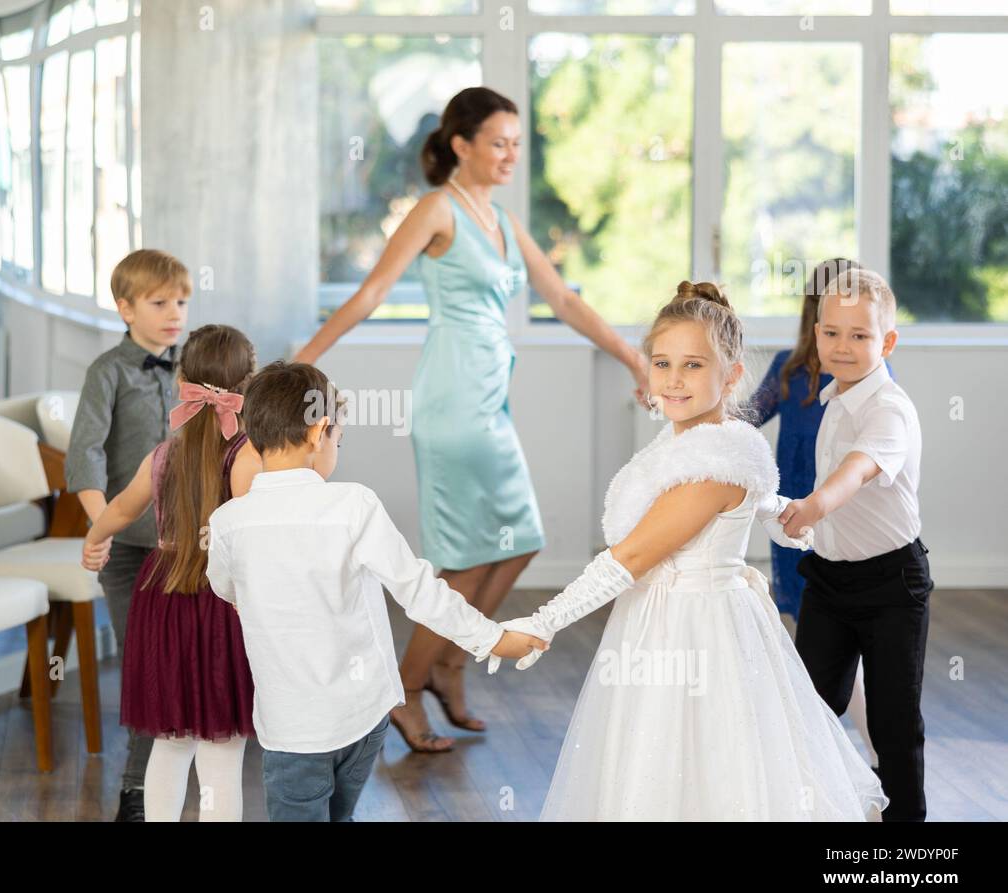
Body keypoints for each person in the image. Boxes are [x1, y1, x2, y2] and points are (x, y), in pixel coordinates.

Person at [295, 86, 648, 752]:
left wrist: (632, 355)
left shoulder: (503, 220)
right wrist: (298, 364)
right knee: (460, 564)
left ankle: (449, 663)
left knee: (518, 539)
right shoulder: (438, 209)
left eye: (518, 143)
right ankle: (405, 689)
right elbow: (371, 292)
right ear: (461, 144)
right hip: (452, 399)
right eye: (498, 142)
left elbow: (564, 300)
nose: (511, 153)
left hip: (491, 398)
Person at [499, 281, 887, 821]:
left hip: (693, 626)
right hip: (662, 619)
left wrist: (542, 624)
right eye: (661, 363)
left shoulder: (712, 463)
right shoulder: (697, 440)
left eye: (693, 366)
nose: (673, 380)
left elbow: (631, 558)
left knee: (697, 761)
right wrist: (778, 512)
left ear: (731, 376)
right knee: (656, 763)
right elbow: (755, 495)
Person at [204, 360, 548, 821]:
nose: (336, 450)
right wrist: (493, 639)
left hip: (291, 728)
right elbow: (419, 589)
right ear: (319, 431)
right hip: (363, 716)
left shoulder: (228, 524)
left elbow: (226, 589)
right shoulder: (354, 505)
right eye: (338, 441)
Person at [81, 324, 262, 822]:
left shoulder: (163, 455)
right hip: (221, 608)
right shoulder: (249, 457)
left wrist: (95, 539)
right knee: (223, 749)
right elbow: (252, 539)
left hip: (162, 599)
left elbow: (119, 509)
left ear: (184, 379)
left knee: (171, 740)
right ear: (248, 386)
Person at [780, 267, 931, 822]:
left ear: (887, 342)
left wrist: (813, 506)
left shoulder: (889, 408)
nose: (843, 347)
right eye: (832, 333)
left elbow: (858, 469)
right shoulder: (831, 395)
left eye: (860, 336)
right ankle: (820, 811)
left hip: (892, 584)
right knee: (809, 707)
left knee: (893, 724)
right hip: (829, 579)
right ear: (815, 335)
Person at [66, 249, 188, 821]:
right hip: (129, 549)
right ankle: (136, 793)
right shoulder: (107, 372)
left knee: (180, 661)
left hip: (186, 548)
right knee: (146, 666)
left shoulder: (196, 370)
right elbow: (84, 453)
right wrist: (101, 524)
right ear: (125, 308)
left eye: (182, 302)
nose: (175, 313)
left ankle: (170, 783)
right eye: (160, 302)